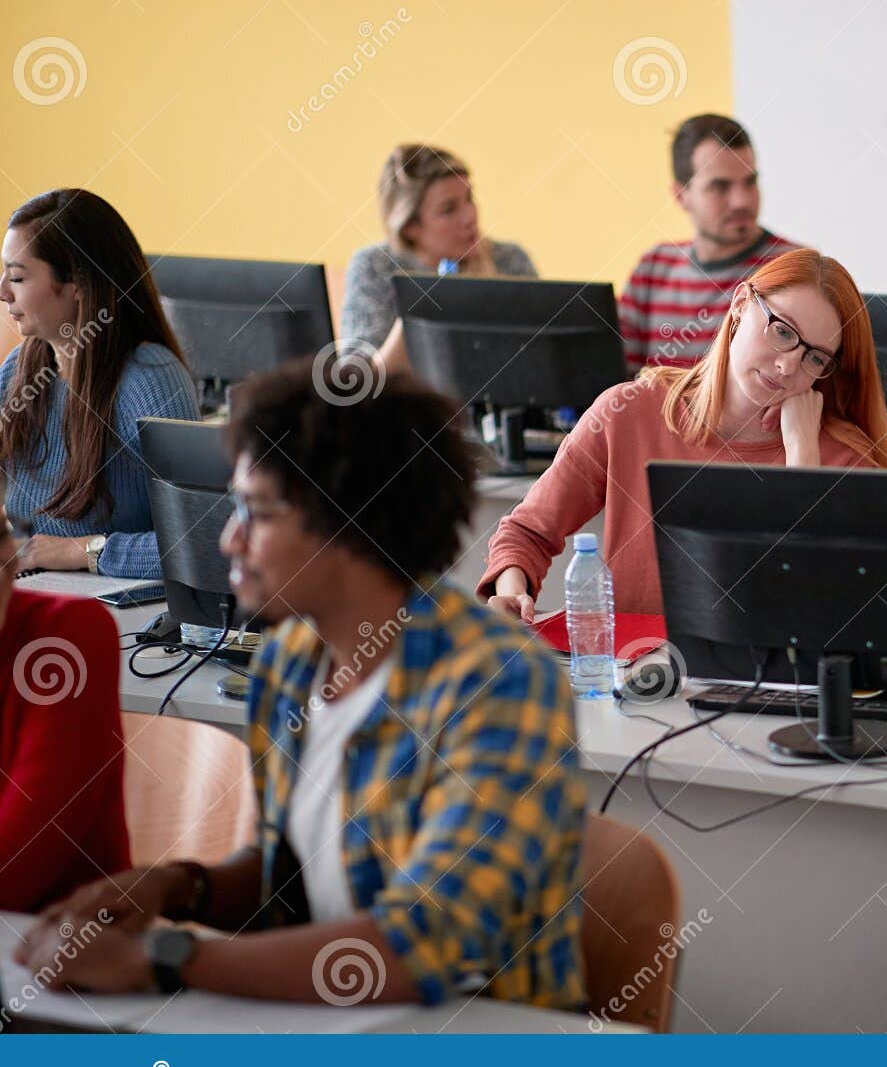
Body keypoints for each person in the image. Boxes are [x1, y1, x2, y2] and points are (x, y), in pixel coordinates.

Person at [17, 358, 586, 1010]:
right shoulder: (291, 660)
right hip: (335, 1027)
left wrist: (166, 957)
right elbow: (288, 880)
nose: (228, 539)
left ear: (347, 526)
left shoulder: (498, 683)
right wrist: (176, 888)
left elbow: (420, 947)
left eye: (255, 512)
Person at [483, 248, 887, 621]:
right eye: (781, 331)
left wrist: (802, 460)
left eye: (814, 357)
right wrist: (512, 590)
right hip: (636, 680)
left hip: (768, 694)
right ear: (741, 304)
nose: (788, 367)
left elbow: (828, 609)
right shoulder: (630, 411)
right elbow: (528, 533)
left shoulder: (845, 457)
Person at [0, 189, 200, 579]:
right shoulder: (20, 368)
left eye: (18, 277)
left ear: (77, 283)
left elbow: (200, 538)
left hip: (119, 605)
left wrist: (84, 550)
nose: (3, 291)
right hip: (39, 587)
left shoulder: (148, 379)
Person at [0, 479, 130, 912]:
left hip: (51, 955)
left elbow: (14, 870)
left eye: (2, 535)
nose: (6, 560)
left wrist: (85, 550)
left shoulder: (63, 642)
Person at [617, 113, 799, 372]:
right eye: (720, 187)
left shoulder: (792, 267)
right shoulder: (654, 266)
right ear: (681, 196)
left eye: (750, 182)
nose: (742, 201)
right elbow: (620, 381)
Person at [341, 143, 536, 372]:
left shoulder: (509, 260)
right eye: (448, 209)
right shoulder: (375, 267)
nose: (470, 216)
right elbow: (361, 384)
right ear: (410, 227)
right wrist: (427, 301)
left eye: (469, 198)